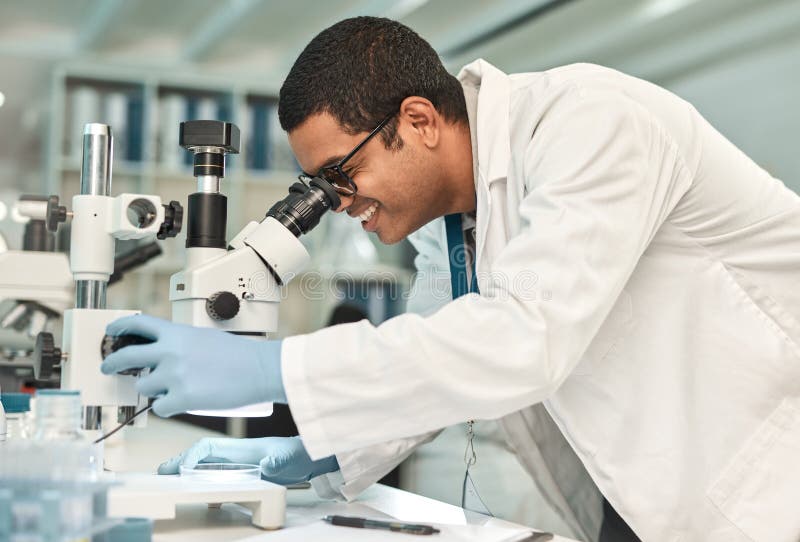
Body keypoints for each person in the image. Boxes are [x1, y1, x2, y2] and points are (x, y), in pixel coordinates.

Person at [101, 16, 800, 542]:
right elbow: (437, 357)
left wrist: (274, 367)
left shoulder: (593, 123)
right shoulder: (449, 224)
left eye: (341, 174)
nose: (337, 203)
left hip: (759, 480)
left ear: (419, 120)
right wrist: (325, 450)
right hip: (640, 490)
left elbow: (523, 337)